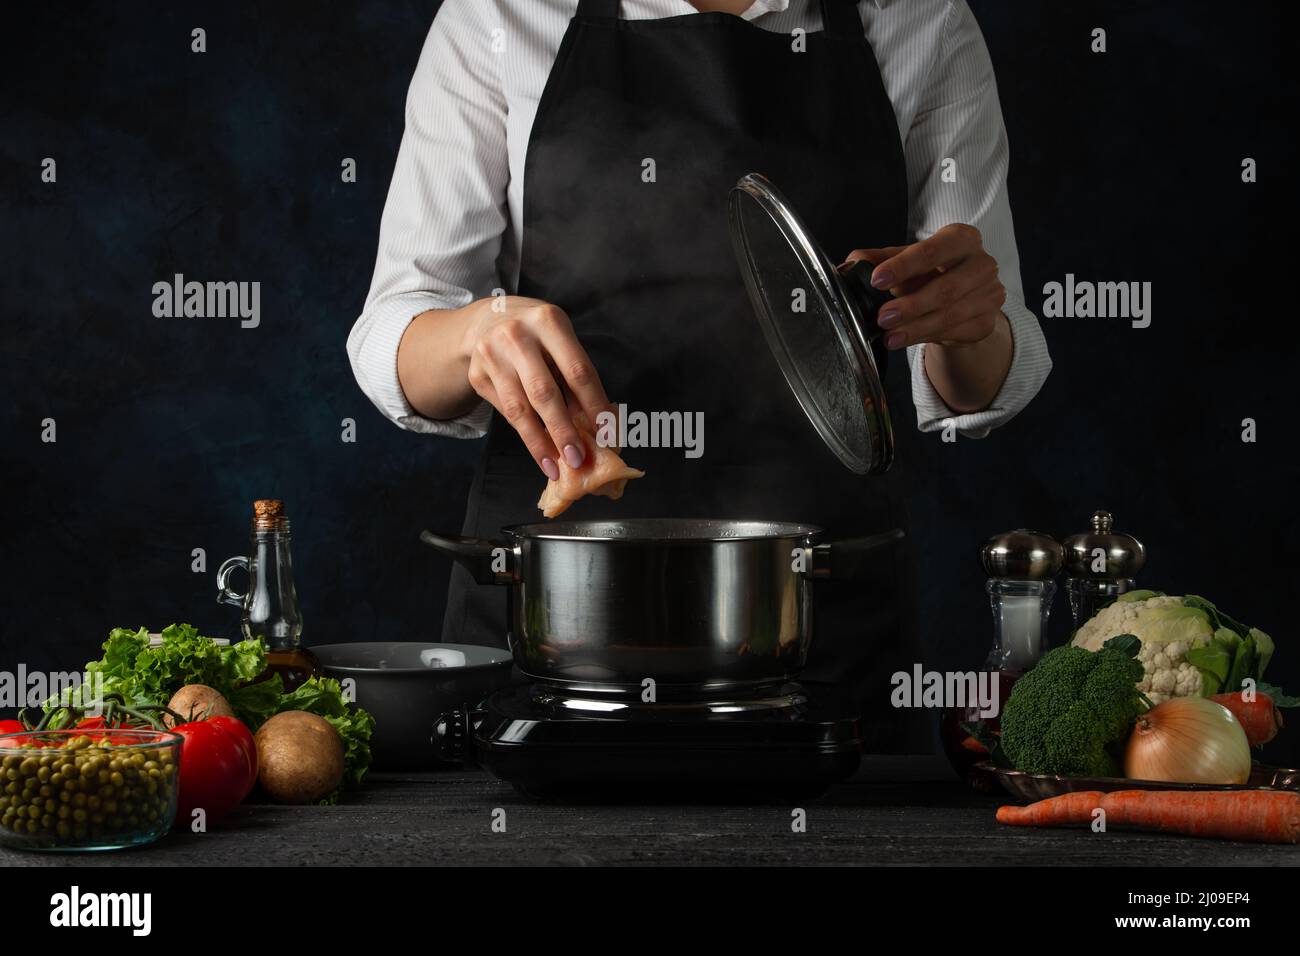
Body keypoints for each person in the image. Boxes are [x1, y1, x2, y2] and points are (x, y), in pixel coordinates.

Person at [348, 0, 1050, 751]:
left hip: (810, 620)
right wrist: (473, 335)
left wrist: (965, 320)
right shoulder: (499, 15)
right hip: (554, 623)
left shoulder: (922, 21)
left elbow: (977, 386)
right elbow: (397, 333)